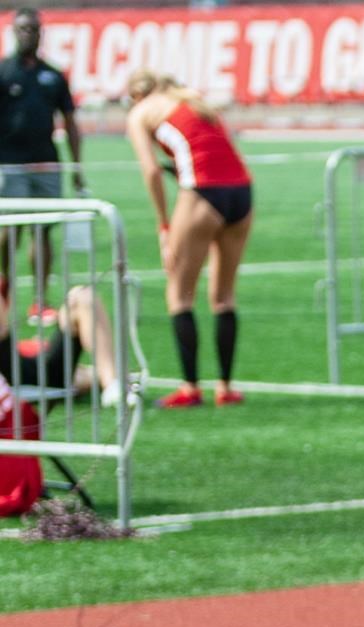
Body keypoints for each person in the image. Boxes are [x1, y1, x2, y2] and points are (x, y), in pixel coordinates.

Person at [125, 70, 250, 410]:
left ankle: (190, 387)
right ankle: (225, 387)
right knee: (224, 296)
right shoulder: (194, 101)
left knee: (179, 293)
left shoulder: (140, 112)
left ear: (137, 95)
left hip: (202, 194)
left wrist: (163, 226)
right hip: (242, 192)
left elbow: (150, 171)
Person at [0, 7, 81, 319]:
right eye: (22, 29)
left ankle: (39, 298)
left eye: (33, 29)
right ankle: (5, 286)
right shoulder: (4, 71)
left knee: (42, 231)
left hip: (46, 163)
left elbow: (70, 122)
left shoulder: (53, 75)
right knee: (8, 231)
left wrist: (77, 166)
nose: (28, 34)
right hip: (8, 165)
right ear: (13, 32)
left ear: (40, 33)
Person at [1, 283, 117, 398]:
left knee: (83, 296)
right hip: (22, 378)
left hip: (35, 369)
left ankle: (112, 385)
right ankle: (107, 379)